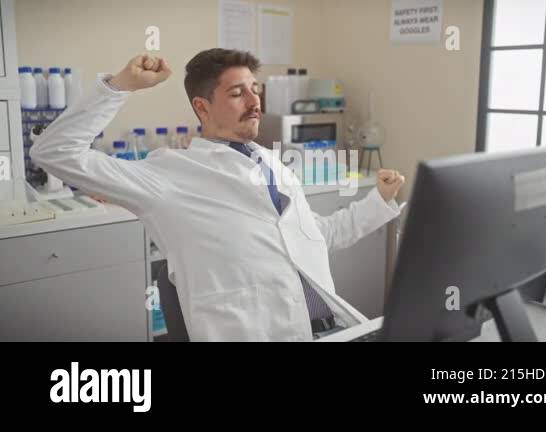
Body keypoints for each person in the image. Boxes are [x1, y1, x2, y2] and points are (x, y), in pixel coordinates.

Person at [30, 49, 405, 341]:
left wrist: (379, 201)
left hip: (328, 329)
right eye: (238, 93)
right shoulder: (168, 175)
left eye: (255, 90)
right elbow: (54, 152)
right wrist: (122, 84)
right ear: (202, 107)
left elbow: (316, 238)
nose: (254, 102)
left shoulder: (273, 164)